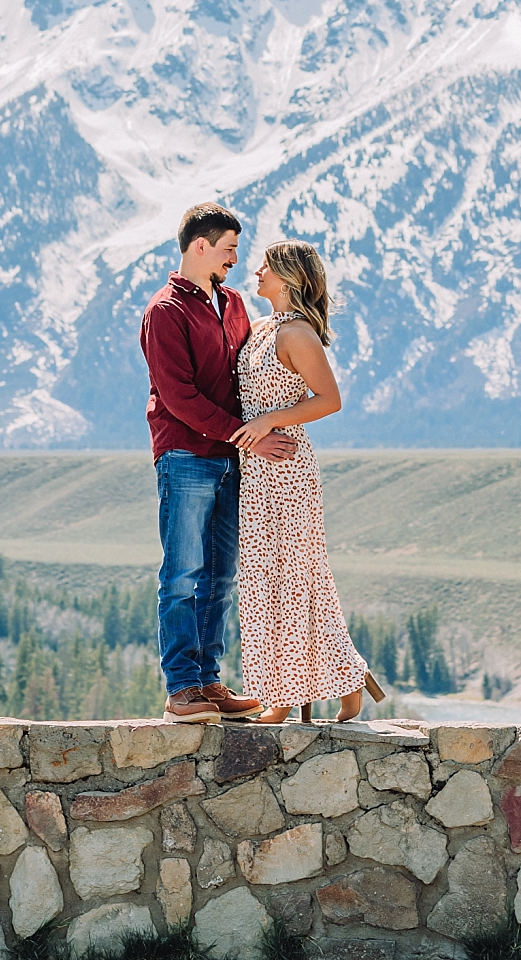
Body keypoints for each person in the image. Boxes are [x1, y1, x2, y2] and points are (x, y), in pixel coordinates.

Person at [140, 202, 298, 723]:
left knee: (221, 575)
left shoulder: (232, 305)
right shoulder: (166, 311)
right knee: (182, 571)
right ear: (200, 246)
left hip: (232, 458)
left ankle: (208, 681)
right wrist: (243, 435)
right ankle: (181, 688)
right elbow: (178, 395)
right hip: (185, 456)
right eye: (229, 249)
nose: (235, 259)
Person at [230, 239, 383, 723]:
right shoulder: (258, 329)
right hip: (256, 472)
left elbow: (329, 399)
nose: (255, 272)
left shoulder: (297, 334)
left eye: (266, 267)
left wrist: (269, 422)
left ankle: (286, 696)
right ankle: (343, 678)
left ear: (288, 277)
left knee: (295, 577)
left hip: (288, 470)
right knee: (263, 579)